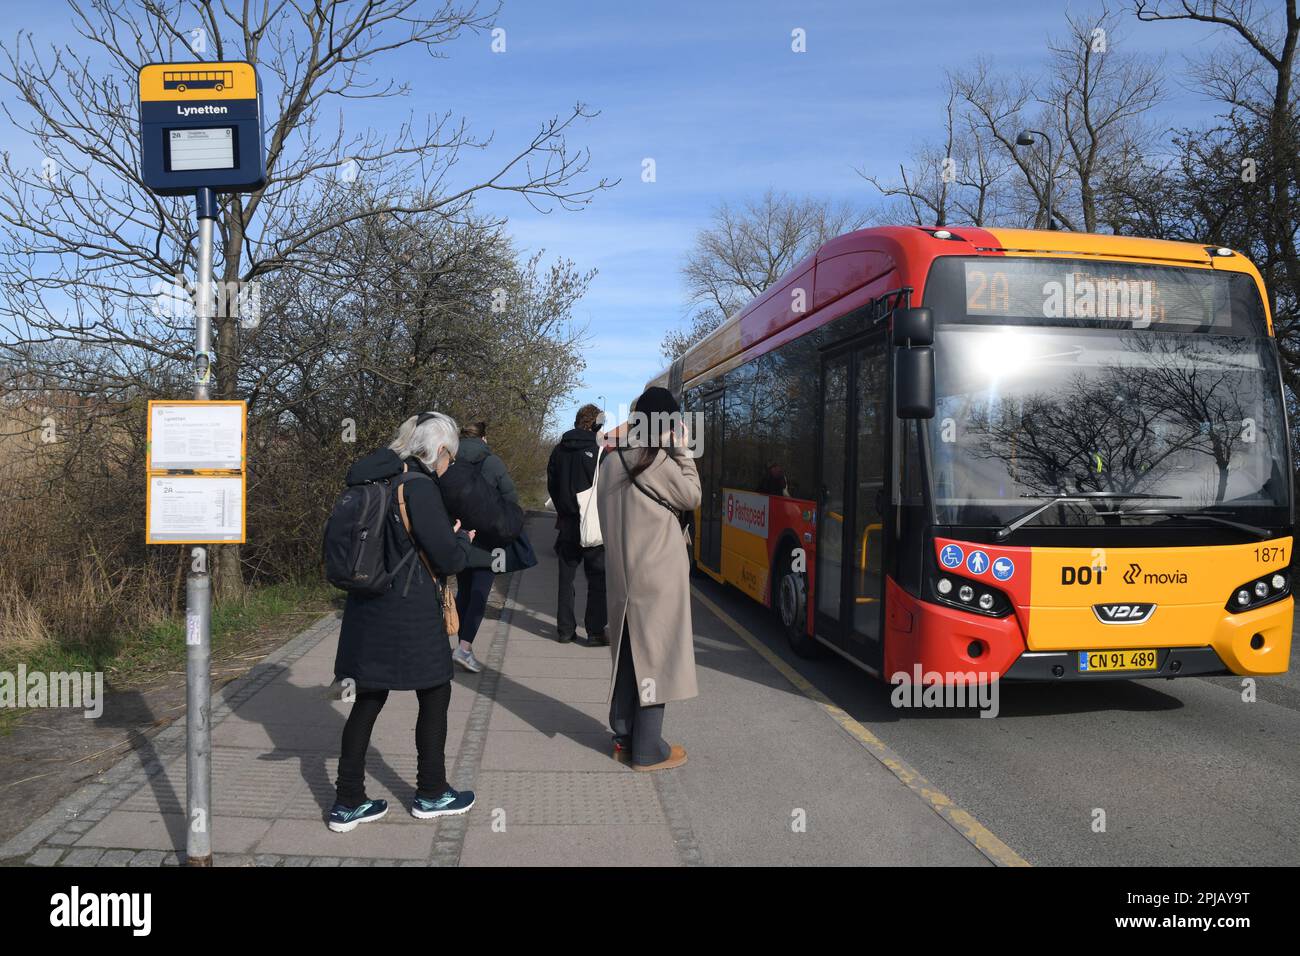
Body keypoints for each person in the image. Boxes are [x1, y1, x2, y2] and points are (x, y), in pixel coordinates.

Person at [329, 412, 476, 832]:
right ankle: (432, 792)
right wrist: (462, 542)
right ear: (441, 450)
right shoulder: (419, 487)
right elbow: (445, 557)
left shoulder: (370, 480)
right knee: (434, 692)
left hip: (364, 607)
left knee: (368, 700)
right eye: (450, 455)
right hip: (408, 611)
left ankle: (347, 801)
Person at [597, 387, 701, 771]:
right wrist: (684, 451)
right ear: (666, 423)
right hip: (657, 576)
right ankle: (646, 749)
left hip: (621, 574)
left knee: (627, 656)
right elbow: (692, 496)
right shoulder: (656, 459)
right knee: (655, 659)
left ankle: (623, 737)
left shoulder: (611, 460)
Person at [448, 421, 519, 673]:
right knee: (479, 594)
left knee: (463, 592)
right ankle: (464, 649)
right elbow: (511, 499)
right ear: (484, 438)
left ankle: (452, 643)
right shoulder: (493, 462)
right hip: (487, 540)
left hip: (459, 535)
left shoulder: (451, 461)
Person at [547, 403, 608, 646]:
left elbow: (551, 483)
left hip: (567, 524)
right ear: (596, 424)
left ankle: (564, 630)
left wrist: (564, 508)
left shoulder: (558, 450)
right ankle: (594, 632)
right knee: (597, 580)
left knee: (566, 579)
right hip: (593, 525)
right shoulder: (600, 451)